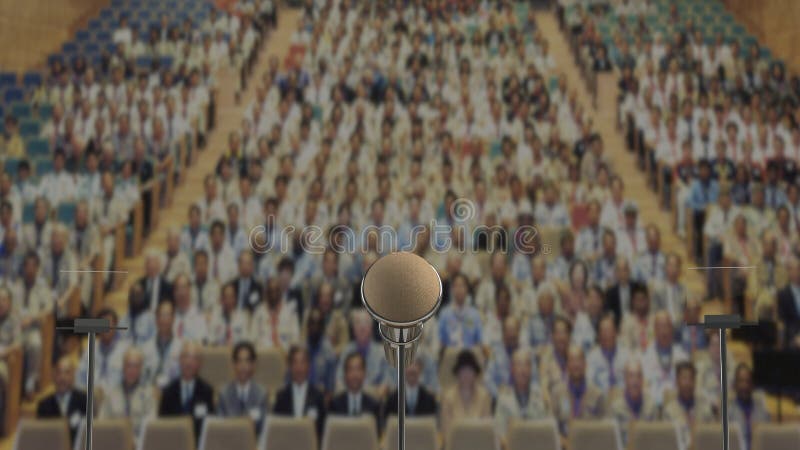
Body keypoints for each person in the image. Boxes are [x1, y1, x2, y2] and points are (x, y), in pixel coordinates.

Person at [158, 341, 215, 438]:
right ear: (180, 360)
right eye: (186, 357)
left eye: (194, 358)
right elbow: (162, 426)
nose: (189, 362)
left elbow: (209, 427)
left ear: (200, 363)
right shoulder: (168, 391)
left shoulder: (207, 391)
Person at [98, 347, 156, 439]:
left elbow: (151, 428)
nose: (132, 370)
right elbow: (101, 424)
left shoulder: (148, 394)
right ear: (123, 367)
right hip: (113, 442)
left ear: (141, 369)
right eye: (129, 365)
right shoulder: (111, 394)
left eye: (136, 366)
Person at [493, 348, 549, 442]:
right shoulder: (503, 399)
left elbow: (547, 432)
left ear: (531, 369)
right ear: (512, 369)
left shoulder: (540, 396)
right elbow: (500, 435)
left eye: (526, 365)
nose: (523, 370)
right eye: (518, 364)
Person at [550, 345, 606, 436]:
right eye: (572, 360)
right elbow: (551, 430)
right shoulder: (557, 393)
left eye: (579, 360)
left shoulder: (597, 395)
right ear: (567, 366)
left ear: (585, 364)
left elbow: (604, 432)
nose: (575, 364)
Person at [272, 345, 326, 437]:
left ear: (308, 366)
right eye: (295, 362)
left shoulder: (318, 396)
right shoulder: (281, 396)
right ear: (289, 366)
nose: (299, 368)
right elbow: (276, 430)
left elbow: (323, 430)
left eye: (303, 362)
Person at [217, 342, 269, 434]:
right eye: (239, 361)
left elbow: (264, 429)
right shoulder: (224, 394)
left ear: (253, 365)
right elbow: (219, 429)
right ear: (233, 365)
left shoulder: (262, 394)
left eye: (247, 361)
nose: (243, 366)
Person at [663, 361, 717, 450]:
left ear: (695, 381)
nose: (688, 383)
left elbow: (712, 439)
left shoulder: (705, 409)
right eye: (684, 378)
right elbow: (665, 443)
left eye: (691, 378)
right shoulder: (668, 411)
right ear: (677, 381)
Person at [335, 309, 390, 393]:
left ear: (371, 328)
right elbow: (339, 381)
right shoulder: (346, 351)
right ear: (353, 329)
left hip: (372, 400)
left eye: (366, 323)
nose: (362, 327)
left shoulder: (382, 353)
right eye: (358, 323)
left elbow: (385, 385)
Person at [440, 349, 491, 438]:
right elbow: (446, 431)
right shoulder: (448, 397)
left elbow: (487, 430)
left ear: (475, 373)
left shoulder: (484, 396)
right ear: (457, 373)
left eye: (470, 370)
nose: (466, 374)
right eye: (463, 370)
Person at [75, 308, 129, 393]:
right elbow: (79, 377)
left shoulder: (125, 351)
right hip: (90, 397)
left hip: (115, 399)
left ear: (115, 326)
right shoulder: (90, 348)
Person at [36, 357, 87, 443]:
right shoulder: (44, 405)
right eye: (59, 373)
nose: (62, 377)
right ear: (54, 376)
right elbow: (42, 438)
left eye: (67, 373)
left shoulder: (84, 400)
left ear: (73, 376)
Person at [642, 311, 689, 403]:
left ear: (672, 328)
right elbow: (644, 387)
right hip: (654, 408)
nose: (664, 331)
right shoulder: (645, 357)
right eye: (660, 326)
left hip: (678, 406)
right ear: (655, 330)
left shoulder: (682, 356)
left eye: (667, 326)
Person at [609, 359, 659, 446]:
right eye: (631, 376)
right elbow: (612, 443)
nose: (635, 381)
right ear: (625, 379)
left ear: (642, 379)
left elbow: (657, 441)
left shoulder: (651, 406)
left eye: (638, 376)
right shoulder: (615, 408)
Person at [329, 352, 381, 426]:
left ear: (364, 373)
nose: (355, 374)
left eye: (358, 369)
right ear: (345, 374)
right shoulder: (335, 404)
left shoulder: (373, 405)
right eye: (351, 369)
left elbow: (377, 435)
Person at [142, 301, 183, 387]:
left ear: (173, 319)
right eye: (161, 315)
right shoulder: (145, 349)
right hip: (150, 394)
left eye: (167, 315)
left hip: (173, 395)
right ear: (156, 319)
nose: (164, 319)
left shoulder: (181, 348)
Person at [729, 364, 770, 448]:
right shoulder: (727, 413)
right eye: (741, 381)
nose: (744, 386)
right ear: (735, 384)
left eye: (748, 381)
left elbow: (768, 442)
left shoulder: (763, 412)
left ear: (752, 385)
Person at [586, 315, 631, 391]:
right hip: (601, 399)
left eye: (609, 330)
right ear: (598, 335)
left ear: (616, 332)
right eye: (603, 331)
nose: (607, 335)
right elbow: (589, 383)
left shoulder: (626, 355)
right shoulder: (592, 358)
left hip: (623, 398)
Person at [438, 273, 483, 348]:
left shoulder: (474, 315)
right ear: (452, 289)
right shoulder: (445, 313)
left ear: (467, 289)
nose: (459, 289)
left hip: (469, 354)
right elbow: (440, 340)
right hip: (450, 354)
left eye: (462, 286)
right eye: (456, 286)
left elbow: (479, 341)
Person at [776, 258, 800, 347]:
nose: (797, 273)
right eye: (794, 270)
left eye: (799, 269)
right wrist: (795, 337)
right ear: (789, 273)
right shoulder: (783, 294)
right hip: (792, 335)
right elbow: (783, 321)